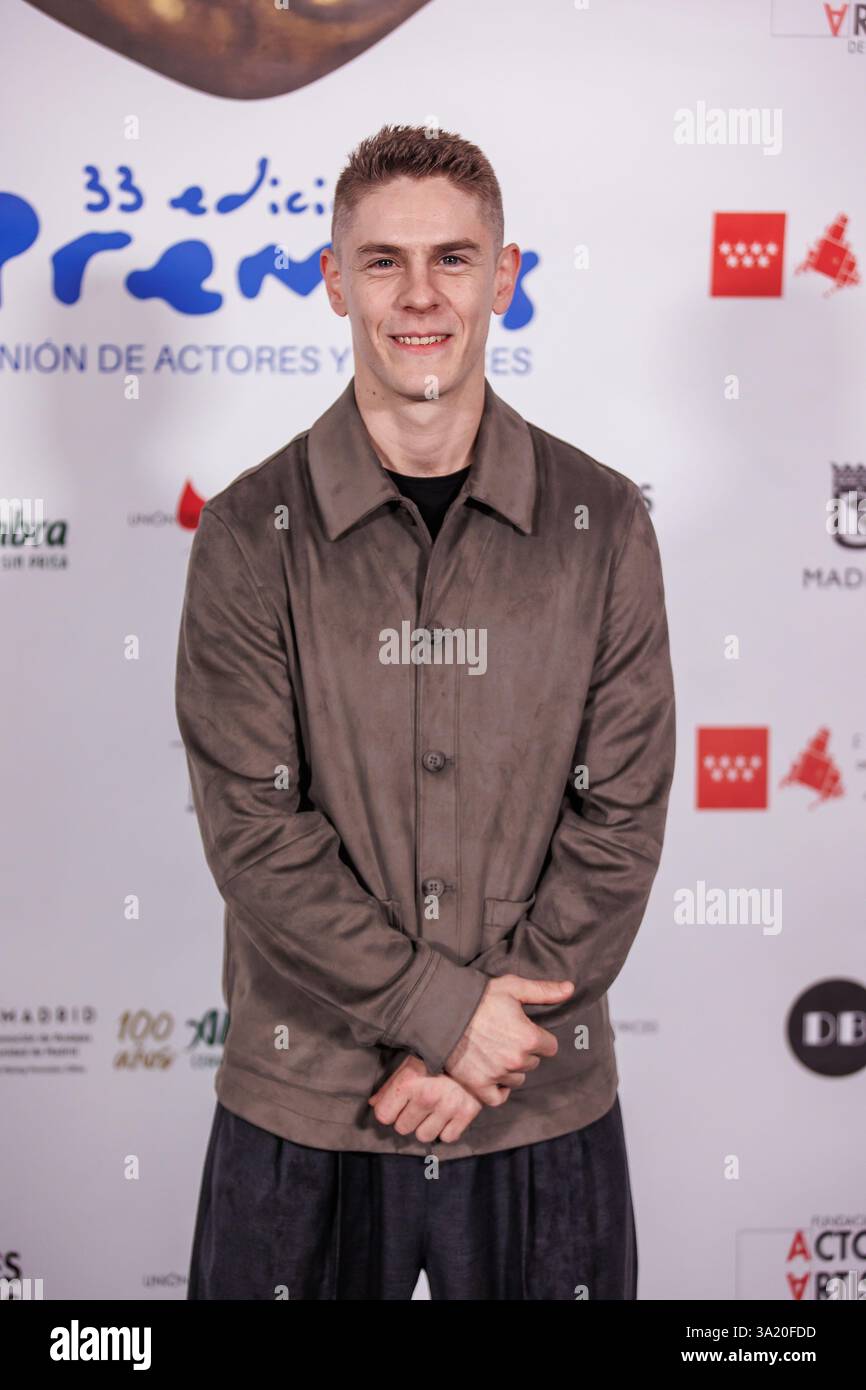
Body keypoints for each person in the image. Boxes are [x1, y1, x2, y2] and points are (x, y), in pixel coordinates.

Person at [175, 123, 676, 1301]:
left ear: (502, 279)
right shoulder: (250, 534)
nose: (418, 296)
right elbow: (255, 833)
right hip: (306, 1106)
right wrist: (449, 1015)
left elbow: (618, 824)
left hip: (531, 1105)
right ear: (333, 278)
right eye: (384, 260)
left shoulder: (601, 524)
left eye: (452, 259)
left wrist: (473, 1055)